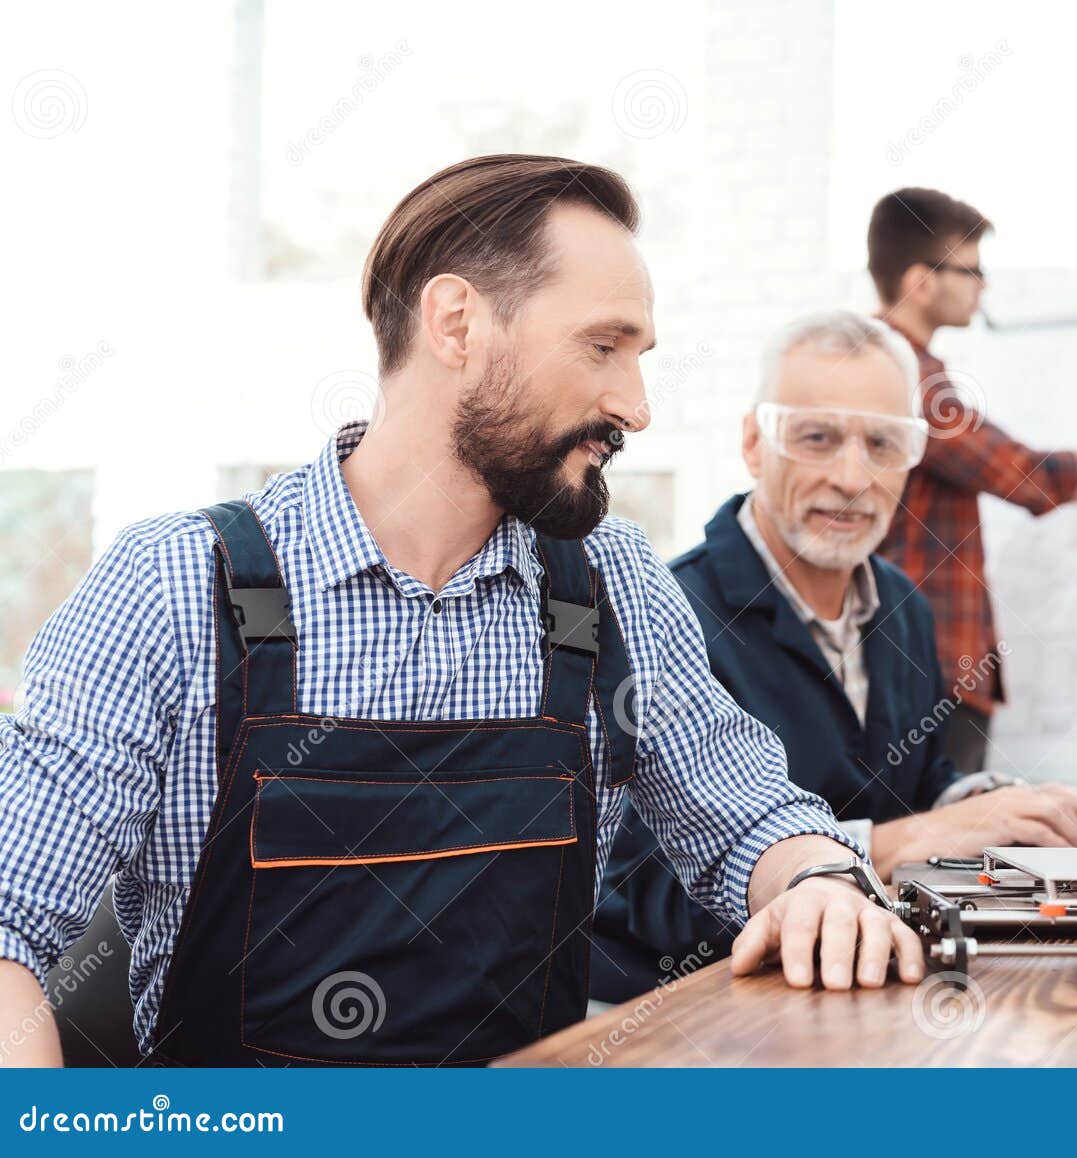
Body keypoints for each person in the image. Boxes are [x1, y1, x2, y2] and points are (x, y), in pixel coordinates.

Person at [0, 156, 924, 1068]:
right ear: (456, 323)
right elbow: (8, 929)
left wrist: (820, 880)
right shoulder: (174, 584)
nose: (634, 407)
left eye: (641, 359)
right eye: (603, 347)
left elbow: (746, 815)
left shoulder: (608, 584)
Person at [590, 311, 1077, 1002]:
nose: (853, 477)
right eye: (817, 438)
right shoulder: (668, 613)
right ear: (754, 443)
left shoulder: (901, 604)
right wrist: (911, 840)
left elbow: (922, 784)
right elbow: (648, 895)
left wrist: (1003, 806)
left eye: (884, 443)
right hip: (680, 1012)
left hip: (852, 990)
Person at [868, 188, 1077, 772]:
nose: (982, 286)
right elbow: (1034, 480)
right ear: (920, 281)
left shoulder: (896, 368)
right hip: (927, 671)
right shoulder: (902, 374)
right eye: (972, 270)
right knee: (932, 845)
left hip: (922, 667)